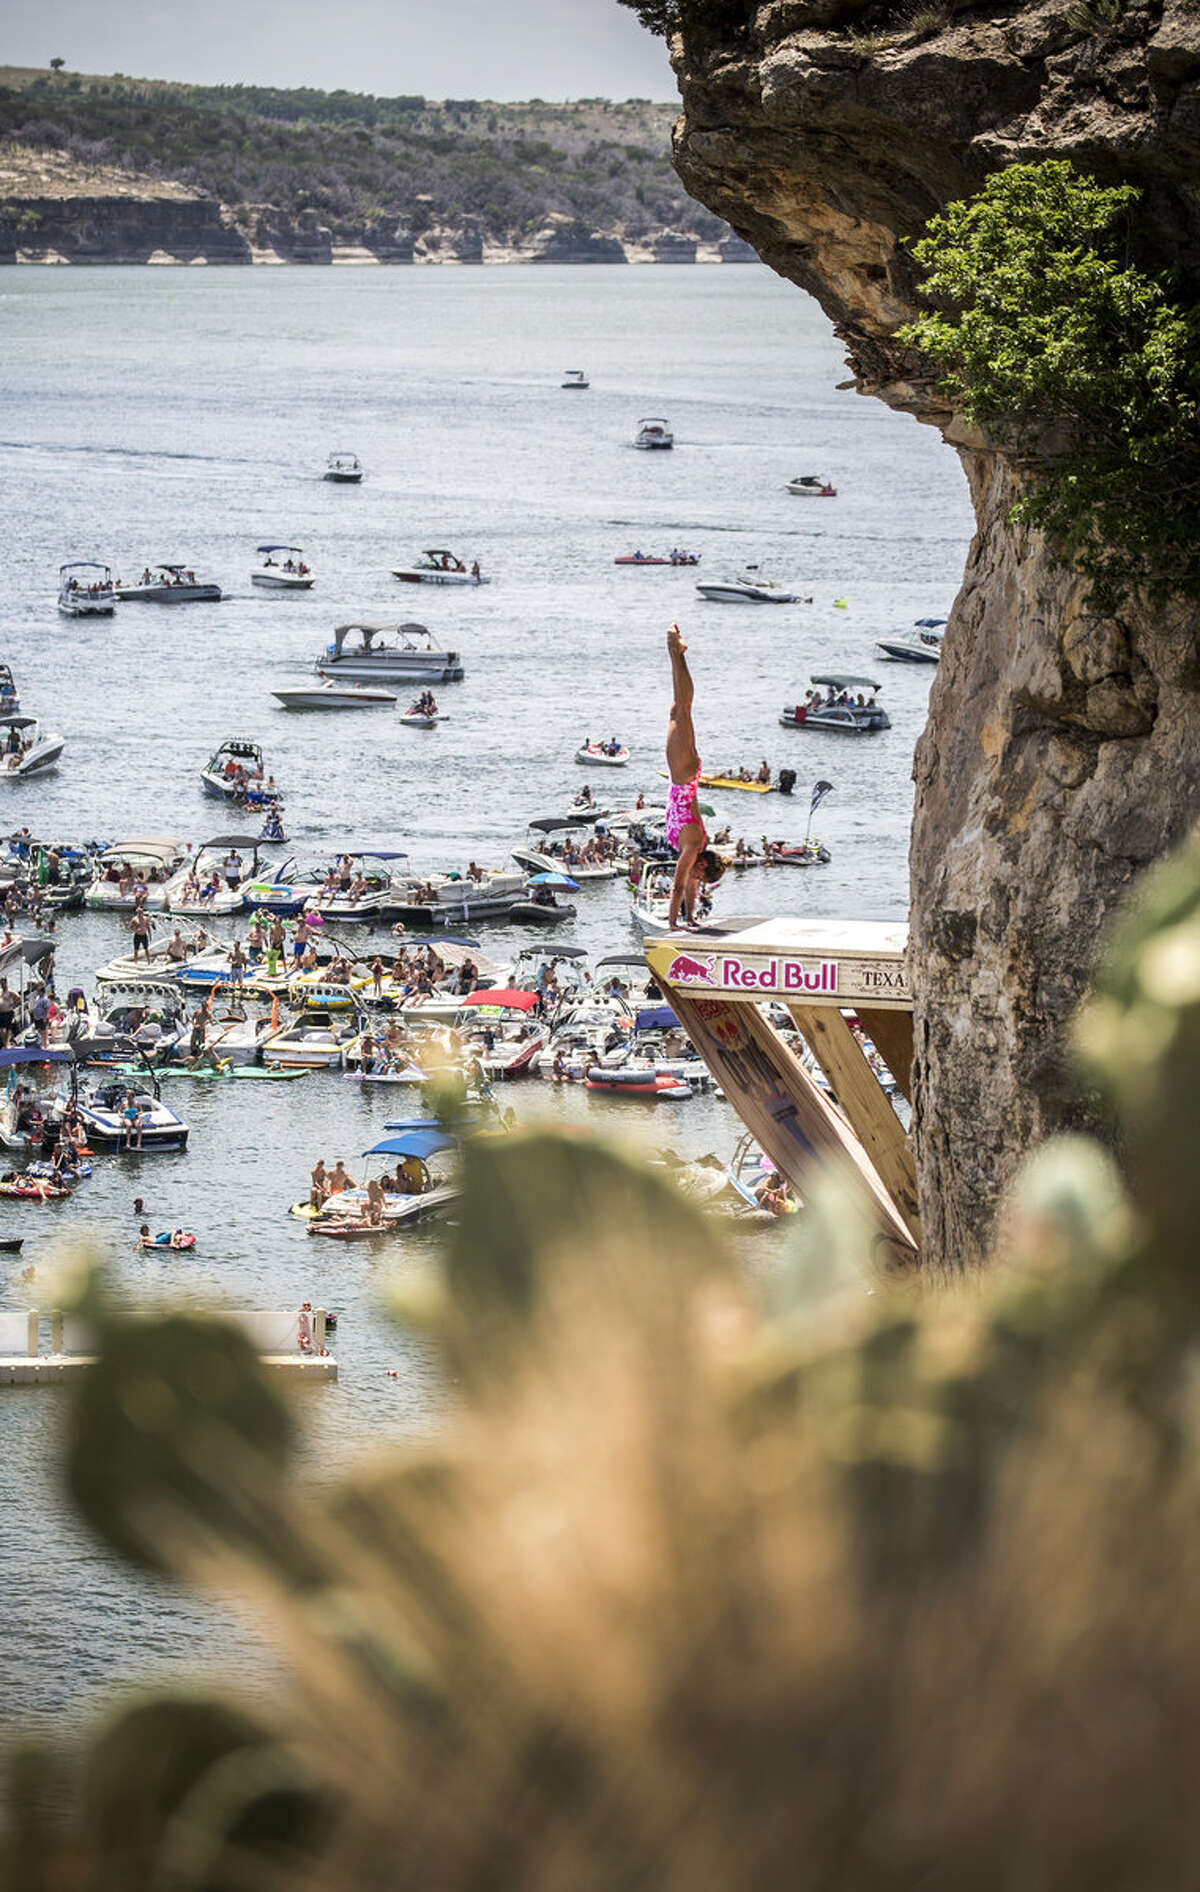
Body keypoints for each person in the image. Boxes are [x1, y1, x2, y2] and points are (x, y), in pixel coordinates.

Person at [663, 626, 726, 929]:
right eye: (701, 875)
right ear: (702, 864)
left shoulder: (696, 848)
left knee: (680, 709)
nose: (697, 880)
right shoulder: (692, 846)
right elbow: (678, 886)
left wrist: (690, 920)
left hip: (683, 775)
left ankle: (675, 652)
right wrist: (673, 924)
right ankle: (675, 651)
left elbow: (687, 885)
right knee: (681, 710)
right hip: (683, 775)